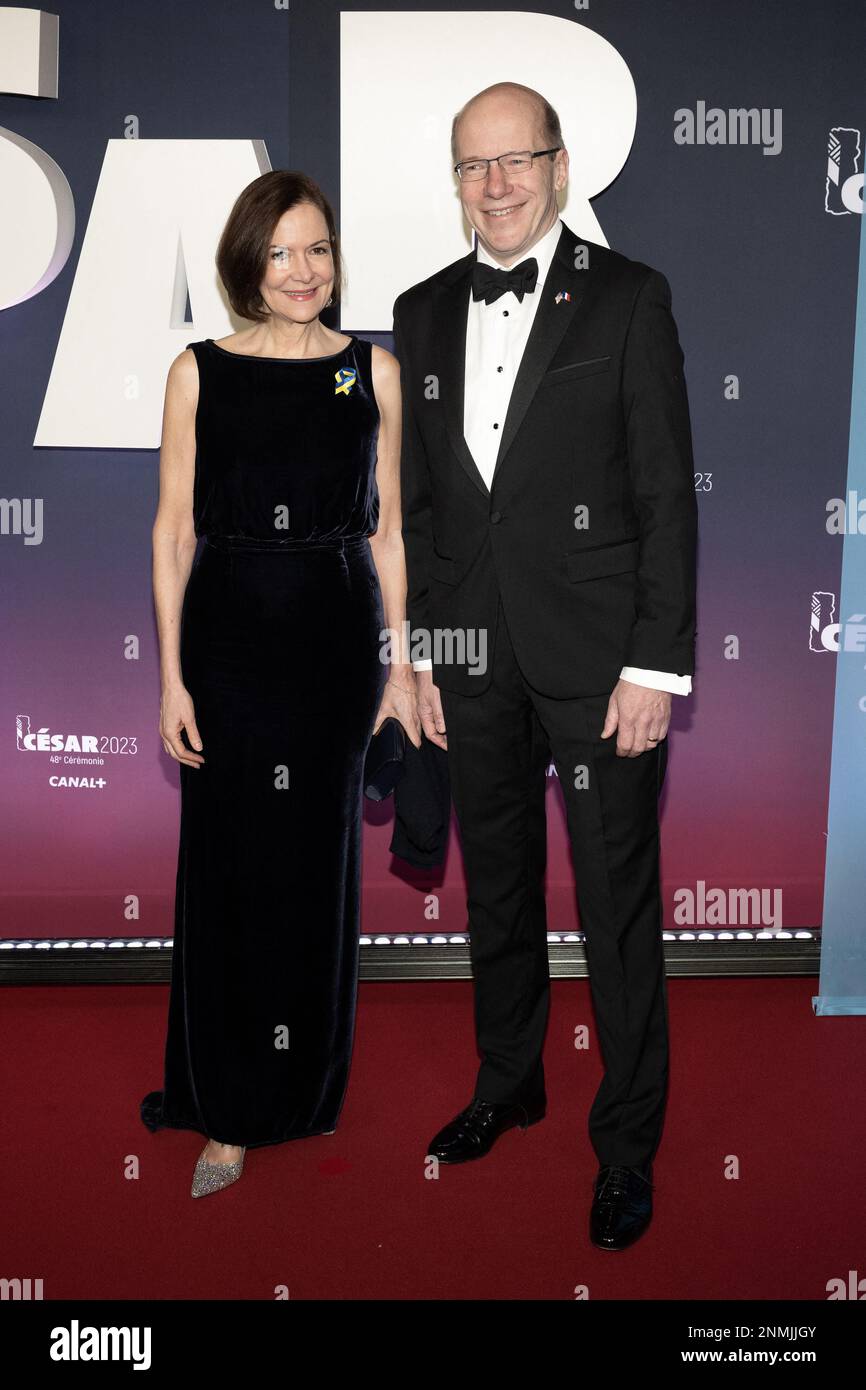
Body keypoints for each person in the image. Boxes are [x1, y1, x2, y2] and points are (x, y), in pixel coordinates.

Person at [393, 82, 698, 1250]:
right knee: (499, 888)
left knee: (617, 908)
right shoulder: (419, 313)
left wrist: (653, 667)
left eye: (515, 161)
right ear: (456, 181)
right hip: (472, 655)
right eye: (473, 166)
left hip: (597, 662)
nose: (496, 185)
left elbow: (664, 494)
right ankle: (508, 1080)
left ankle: (625, 1147)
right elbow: (421, 508)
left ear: (560, 169)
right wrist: (419, 651)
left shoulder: (628, 298)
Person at [141, 170, 420, 1198]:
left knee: (313, 866)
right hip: (225, 640)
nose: (304, 272)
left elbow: (390, 533)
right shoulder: (198, 372)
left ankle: (297, 1090)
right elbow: (173, 529)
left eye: (319, 250)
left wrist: (404, 668)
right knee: (227, 866)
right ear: (246, 264)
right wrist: (170, 677)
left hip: (336, 640)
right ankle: (222, 1105)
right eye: (281, 253)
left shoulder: (367, 371)